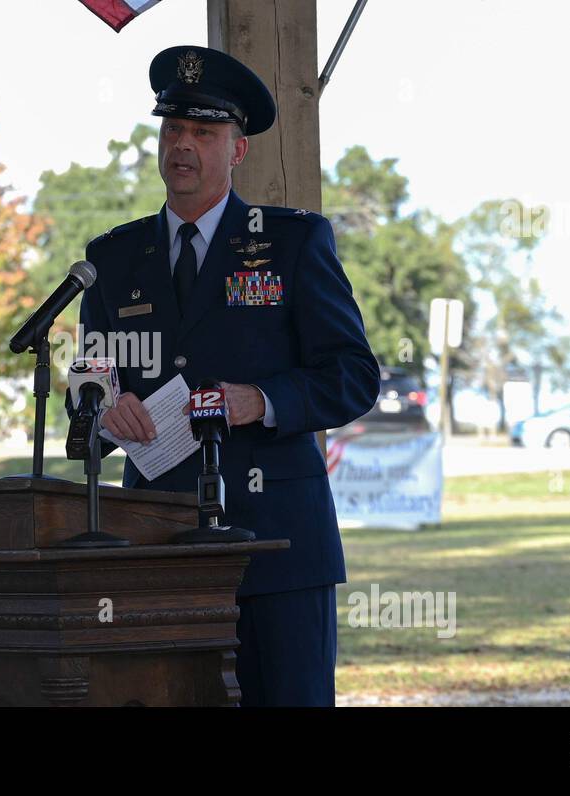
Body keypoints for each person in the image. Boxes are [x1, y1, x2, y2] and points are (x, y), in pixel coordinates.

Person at [73, 45, 380, 706]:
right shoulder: (113, 258)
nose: (183, 145)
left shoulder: (294, 243)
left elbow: (353, 375)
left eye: (204, 133)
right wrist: (103, 410)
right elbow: (87, 383)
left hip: (278, 546)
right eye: (173, 129)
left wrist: (262, 400)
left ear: (236, 151)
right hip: (159, 545)